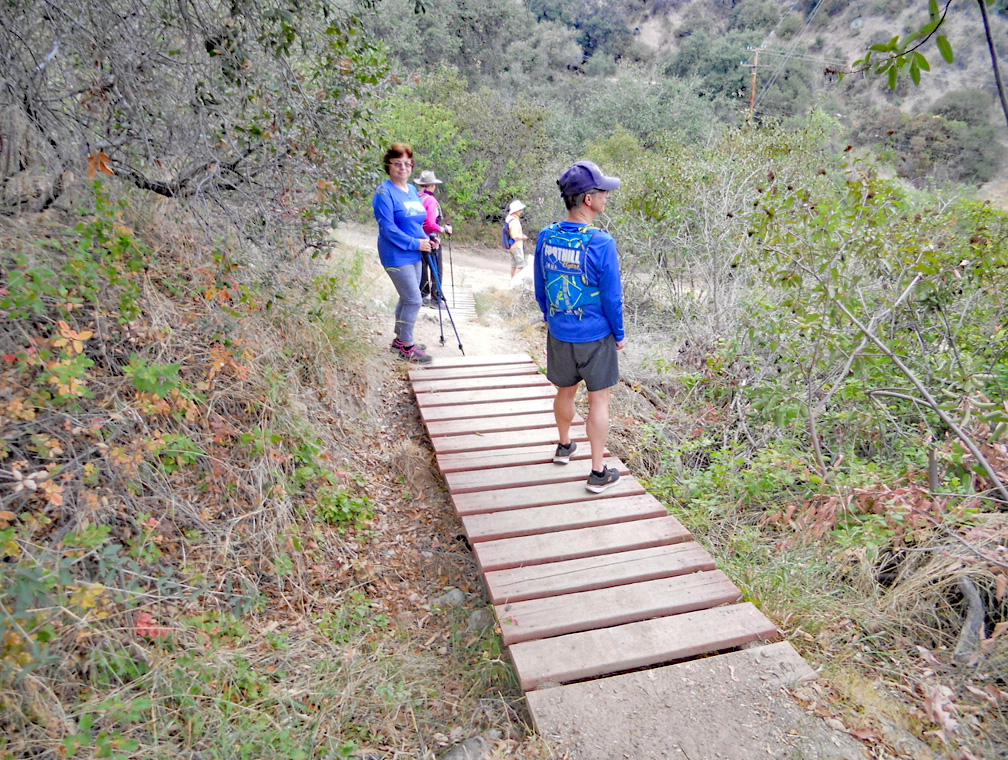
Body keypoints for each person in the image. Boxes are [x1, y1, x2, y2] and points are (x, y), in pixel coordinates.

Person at [534, 160, 626, 493]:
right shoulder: (601, 242)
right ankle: (598, 472)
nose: (607, 196)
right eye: (603, 191)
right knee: (599, 401)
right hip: (595, 335)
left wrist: (550, 317)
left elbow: (540, 285)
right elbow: (612, 298)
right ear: (588, 199)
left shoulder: (547, 235)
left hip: (560, 331)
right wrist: (619, 333)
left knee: (565, 390)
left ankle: (564, 446)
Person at [373, 143, 433, 364]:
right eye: (397, 163)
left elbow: (415, 222)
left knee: (407, 298)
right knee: (414, 300)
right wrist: (415, 243)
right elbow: (387, 229)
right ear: (388, 166)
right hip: (395, 254)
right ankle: (407, 347)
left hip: (414, 251)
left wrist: (427, 238)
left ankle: (400, 340)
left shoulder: (412, 191)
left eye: (407, 164)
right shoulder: (384, 192)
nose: (403, 168)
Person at [416, 169, 452, 306]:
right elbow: (431, 223)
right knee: (436, 268)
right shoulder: (431, 201)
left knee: (422, 267)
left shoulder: (417, 197)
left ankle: (423, 295)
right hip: (431, 239)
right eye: (434, 184)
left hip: (419, 238)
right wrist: (444, 229)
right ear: (432, 185)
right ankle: (436, 298)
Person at [504, 199, 528, 281]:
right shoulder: (514, 221)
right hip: (516, 245)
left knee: (514, 265)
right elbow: (515, 236)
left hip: (511, 245)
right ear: (516, 210)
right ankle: (515, 282)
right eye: (520, 210)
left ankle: (512, 281)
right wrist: (523, 237)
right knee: (520, 265)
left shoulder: (509, 218)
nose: (521, 211)